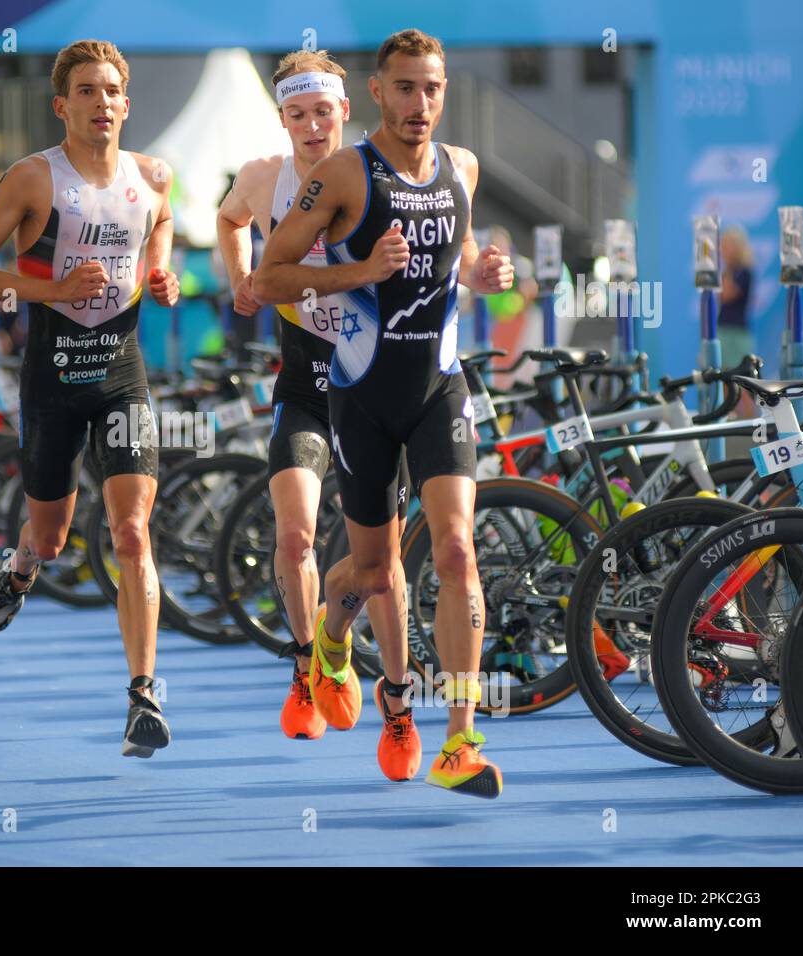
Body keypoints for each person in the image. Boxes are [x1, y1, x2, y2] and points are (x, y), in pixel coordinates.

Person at [256, 29, 515, 797]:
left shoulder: (461, 167)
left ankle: (460, 742)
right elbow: (270, 277)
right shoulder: (343, 173)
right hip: (361, 394)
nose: (420, 104)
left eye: (433, 89)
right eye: (406, 88)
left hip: (439, 388)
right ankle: (330, 644)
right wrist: (363, 271)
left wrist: (488, 270)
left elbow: (460, 258)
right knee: (373, 572)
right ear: (378, 91)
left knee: (458, 553)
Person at [0, 39, 181, 758]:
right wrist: (51, 289)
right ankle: (22, 568)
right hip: (53, 381)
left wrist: (162, 269)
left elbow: (163, 219)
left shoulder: (152, 175)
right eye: (86, 91)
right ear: (62, 106)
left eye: (112, 91)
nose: (102, 103)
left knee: (133, 532)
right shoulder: (31, 180)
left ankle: (143, 696)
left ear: (127, 103)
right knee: (50, 536)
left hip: (121, 374)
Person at [217, 50, 409, 742]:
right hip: (304, 384)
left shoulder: (374, 177)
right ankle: (306, 666)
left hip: (374, 387)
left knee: (379, 566)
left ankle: (390, 691)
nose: (311, 125)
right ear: (282, 119)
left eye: (322, 111)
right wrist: (241, 275)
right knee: (294, 532)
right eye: (296, 114)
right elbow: (229, 219)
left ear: (345, 111)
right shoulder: (265, 177)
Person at [718, 225, 754, 365]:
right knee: (722, 376)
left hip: (737, 333)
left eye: (726, 245)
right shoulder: (727, 271)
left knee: (740, 379)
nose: (722, 250)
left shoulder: (744, 271)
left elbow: (726, 295)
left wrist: (727, 270)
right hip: (723, 328)